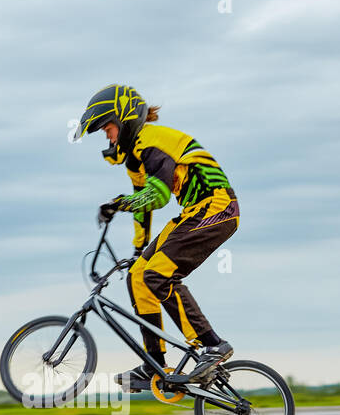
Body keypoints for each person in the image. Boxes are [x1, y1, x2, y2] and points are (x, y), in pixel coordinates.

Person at [78, 84, 239, 390]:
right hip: (195, 211)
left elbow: (159, 195)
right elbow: (144, 207)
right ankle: (155, 363)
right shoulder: (135, 159)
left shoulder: (151, 141)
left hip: (217, 208)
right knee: (139, 275)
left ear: (124, 120)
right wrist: (139, 249)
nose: (108, 137)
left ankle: (212, 345)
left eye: (108, 129)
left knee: (158, 276)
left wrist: (117, 203)